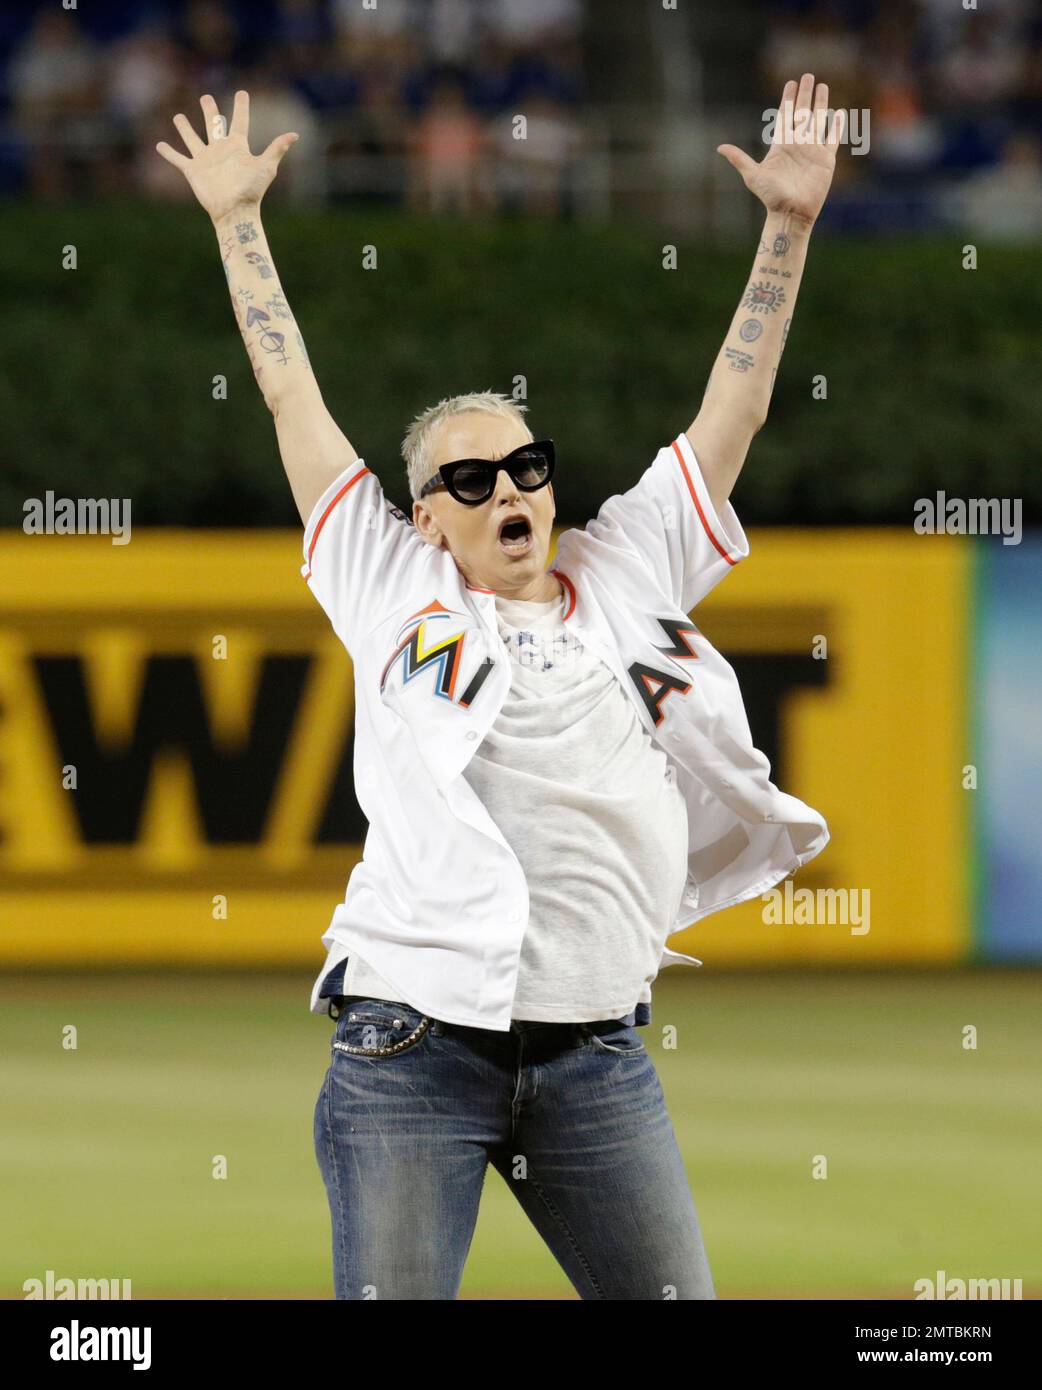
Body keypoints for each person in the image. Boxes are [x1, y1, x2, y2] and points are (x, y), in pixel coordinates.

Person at [155, 74, 837, 1300]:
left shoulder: (627, 563)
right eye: (470, 482)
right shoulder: (389, 581)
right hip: (412, 1042)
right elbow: (289, 399)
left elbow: (731, 414)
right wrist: (235, 222)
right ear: (425, 517)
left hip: (597, 1049)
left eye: (524, 467)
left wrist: (786, 228)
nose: (507, 492)